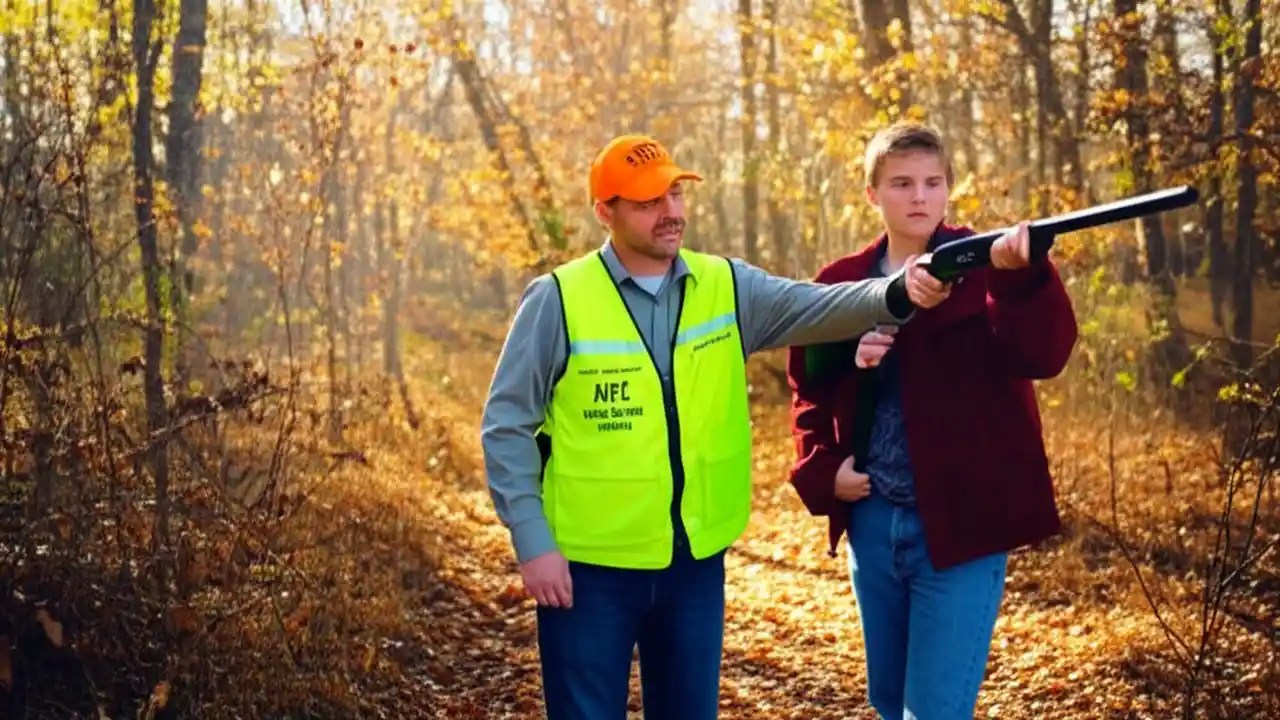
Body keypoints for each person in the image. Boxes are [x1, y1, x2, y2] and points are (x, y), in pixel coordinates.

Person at [479, 133, 950, 720]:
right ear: (606, 212)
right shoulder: (558, 299)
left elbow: (819, 307)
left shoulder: (725, 285)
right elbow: (505, 426)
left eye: (676, 194)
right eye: (649, 201)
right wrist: (532, 542)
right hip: (586, 572)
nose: (671, 212)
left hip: (694, 565)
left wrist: (899, 290)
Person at [785, 122, 1079, 719]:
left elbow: (1044, 355)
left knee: (937, 711)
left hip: (963, 526)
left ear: (948, 190)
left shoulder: (986, 261)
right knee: (890, 704)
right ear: (873, 194)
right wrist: (823, 471)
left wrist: (1020, 277)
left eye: (932, 182)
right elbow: (810, 389)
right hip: (873, 520)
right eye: (901, 183)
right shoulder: (841, 283)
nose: (918, 196)